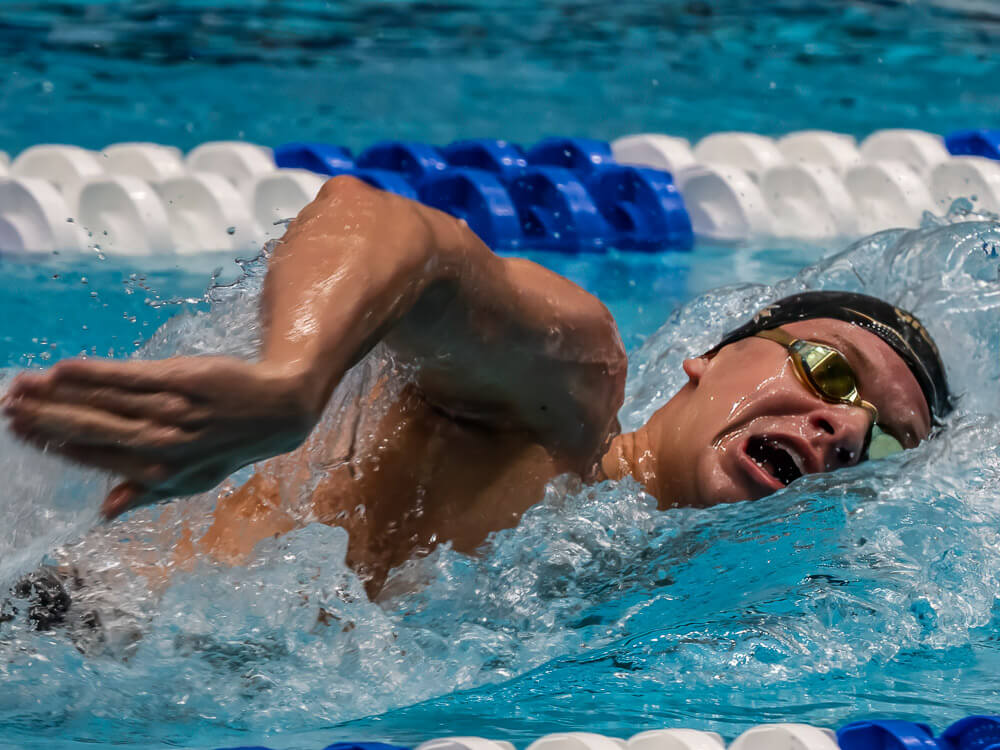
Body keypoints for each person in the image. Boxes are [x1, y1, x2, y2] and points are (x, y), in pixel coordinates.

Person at [1, 176, 951, 596]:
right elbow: (386, 227)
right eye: (828, 369)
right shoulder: (566, 396)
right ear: (709, 354)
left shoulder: (646, 576)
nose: (839, 424)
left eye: (883, 440)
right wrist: (292, 378)